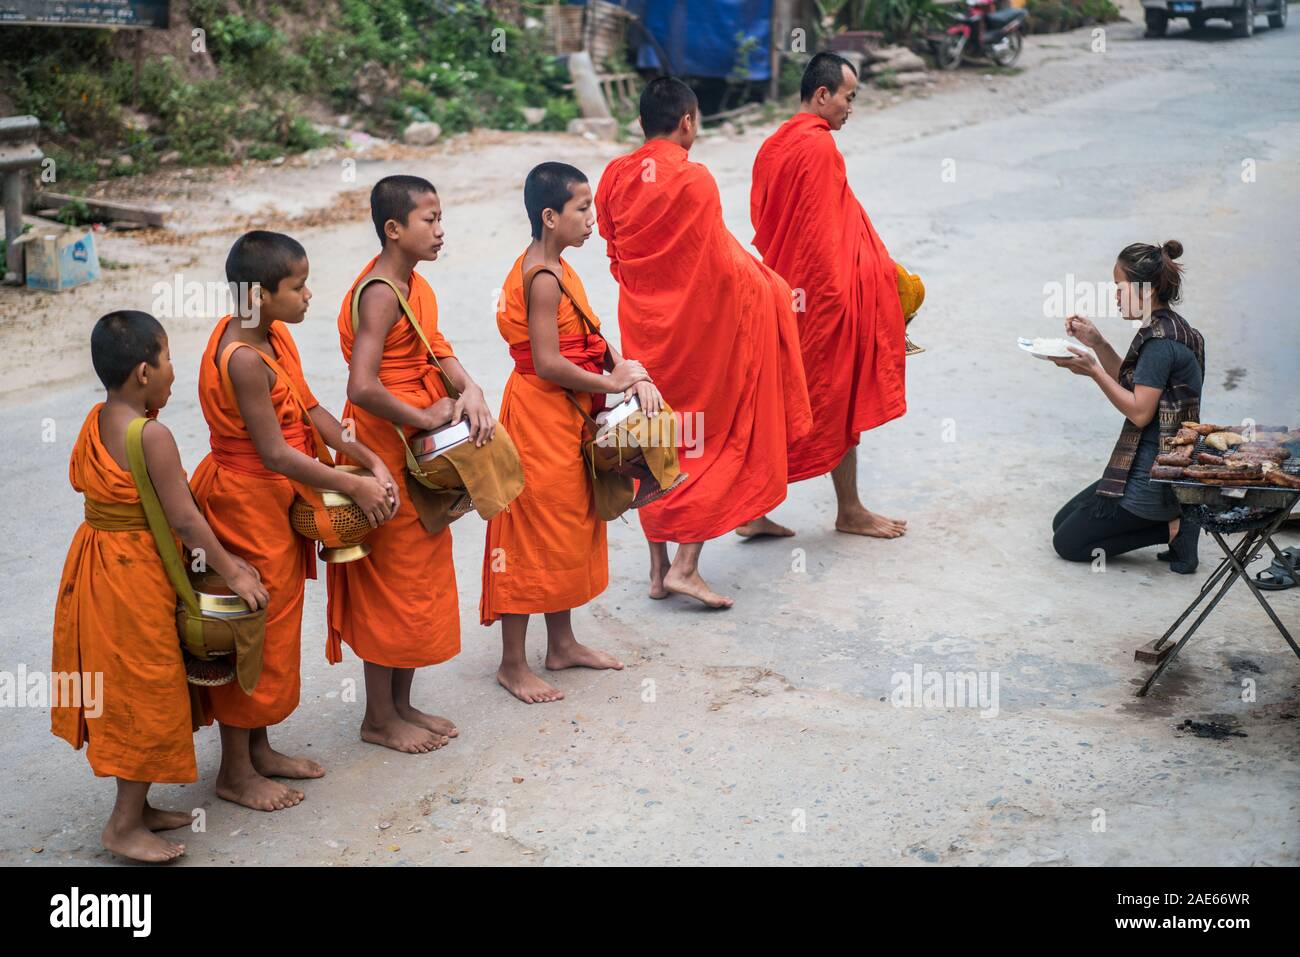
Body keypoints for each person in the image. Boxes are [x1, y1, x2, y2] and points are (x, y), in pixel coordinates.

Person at [52, 310, 269, 862]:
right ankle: (123, 825)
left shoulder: (96, 419)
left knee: (131, 683)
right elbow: (186, 521)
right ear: (144, 373)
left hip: (97, 564)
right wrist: (234, 568)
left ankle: (142, 808)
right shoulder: (152, 435)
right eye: (169, 358)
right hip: (133, 576)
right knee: (145, 690)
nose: (175, 370)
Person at [193, 231, 398, 811]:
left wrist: (367, 455)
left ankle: (260, 749)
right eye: (298, 286)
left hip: (274, 499)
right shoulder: (241, 360)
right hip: (246, 502)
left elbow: (311, 411)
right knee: (251, 627)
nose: (310, 296)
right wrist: (353, 483)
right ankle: (235, 771)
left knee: (278, 625)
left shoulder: (273, 335)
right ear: (258, 294)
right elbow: (276, 453)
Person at [595, 77, 813, 609]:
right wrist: (769, 289)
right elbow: (718, 262)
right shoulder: (694, 180)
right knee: (713, 437)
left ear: (643, 122)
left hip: (645, 329)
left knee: (658, 434)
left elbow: (615, 251)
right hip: (700, 334)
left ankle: (657, 570)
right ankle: (687, 568)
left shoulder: (614, 176)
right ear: (688, 121)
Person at [481, 162, 664, 703]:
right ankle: (513, 663)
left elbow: (591, 332)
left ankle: (560, 643)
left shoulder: (560, 266)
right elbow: (546, 362)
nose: (593, 219)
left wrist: (633, 371)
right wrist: (611, 379)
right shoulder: (540, 278)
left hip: (569, 415)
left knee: (571, 523)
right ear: (549, 215)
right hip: (540, 414)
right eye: (582, 209)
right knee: (530, 529)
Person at [329, 175, 495, 750]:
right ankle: (377, 717)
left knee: (419, 572)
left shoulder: (413, 284)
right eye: (429, 220)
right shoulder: (379, 291)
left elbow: (437, 347)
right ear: (393, 229)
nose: (441, 229)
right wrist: (425, 418)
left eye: (441, 217)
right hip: (385, 450)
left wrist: (468, 389)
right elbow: (362, 385)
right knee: (391, 582)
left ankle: (400, 704)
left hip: (416, 453)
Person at [747, 51, 908, 540]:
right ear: (822, 95)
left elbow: (764, 219)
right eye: (848, 97)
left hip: (781, 294)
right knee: (835, 401)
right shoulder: (817, 149)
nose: (850, 108)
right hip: (818, 305)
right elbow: (820, 244)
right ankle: (849, 511)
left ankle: (753, 509)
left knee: (774, 404)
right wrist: (851, 305)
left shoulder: (774, 144)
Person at [1050, 240, 1204, 573]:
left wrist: (1093, 370)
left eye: (1120, 287)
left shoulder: (1160, 345)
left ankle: (1174, 528)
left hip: (1152, 478)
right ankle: (1171, 524)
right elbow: (1136, 387)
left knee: (1068, 543)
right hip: (1150, 464)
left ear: (1145, 291)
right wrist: (1098, 343)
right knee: (1061, 522)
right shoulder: (1171, 327)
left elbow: (1139, 411)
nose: (1116, 296)